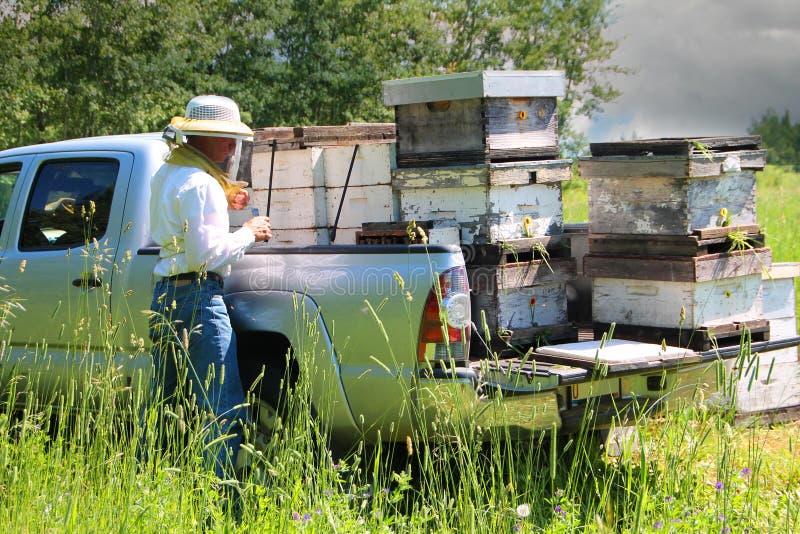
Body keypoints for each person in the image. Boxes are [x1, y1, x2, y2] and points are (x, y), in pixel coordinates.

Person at [148, 95, 271, 479]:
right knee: (221, 405)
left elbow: (177, 230)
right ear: (200, 135)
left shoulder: (168, 174)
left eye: (233, 137)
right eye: (224, 137)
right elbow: (207, 257)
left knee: (164, 401)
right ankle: (220, 500)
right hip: (199, 295)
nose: (232, 146)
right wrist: (249, 232)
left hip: (165, 295)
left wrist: (224, 203)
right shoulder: (201, 184)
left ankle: (150, 483)